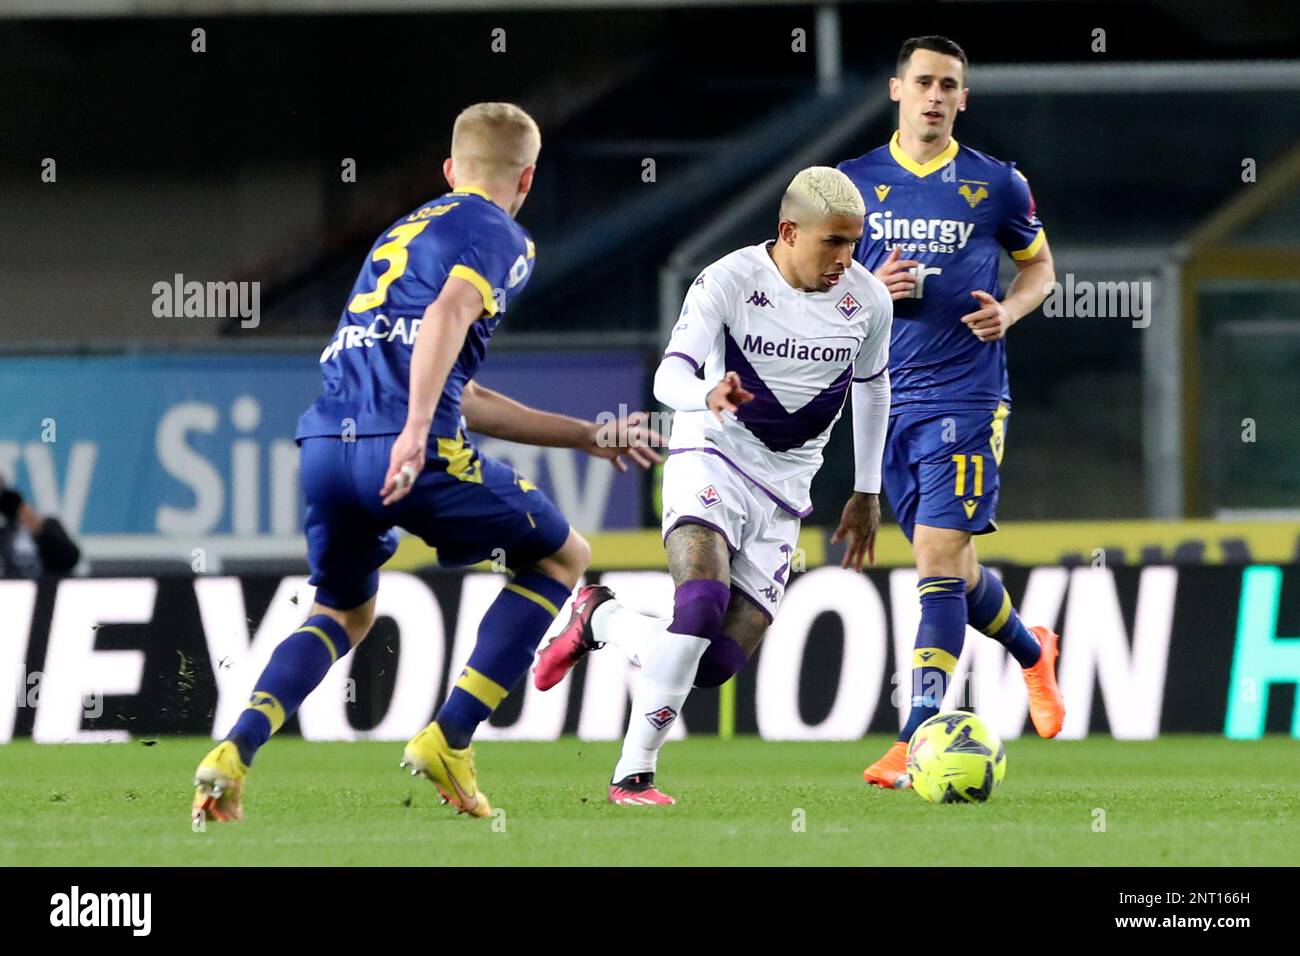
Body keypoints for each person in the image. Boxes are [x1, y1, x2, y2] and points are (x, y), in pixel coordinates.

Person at [192, 102, 661, 823]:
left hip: (324, 446)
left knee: (342, 611)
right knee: (564, 556)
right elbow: (445, 324)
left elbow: (460, 390)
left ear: (448, 170)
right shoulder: (503, 235)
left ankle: (232, 751)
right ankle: (451, 735)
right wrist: (415, 432)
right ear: (527, 179)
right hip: (406, 444)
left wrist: (587, 436)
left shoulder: (400, 234)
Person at [534, 166, 893, 805]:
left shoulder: (867, 301)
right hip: (712, 456)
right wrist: (707, 392)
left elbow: (872, 388)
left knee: (717, 665)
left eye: (854, 242)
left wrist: (867, 491)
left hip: (785, 493)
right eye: (832, 243)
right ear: (788, 231)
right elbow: (668, 377)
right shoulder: (727, 281)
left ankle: (602, 616)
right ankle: (633, 773)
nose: (847, 258)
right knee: (697, 607)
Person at [837, 36, 1065, 788]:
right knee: (957, 571)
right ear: (897, 89)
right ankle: (1034, 649)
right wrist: (870, 287)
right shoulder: (847, 184)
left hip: (966, 397)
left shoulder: (997, 183)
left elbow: (1040, 267)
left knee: (934, 559)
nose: (936, 95)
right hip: (880, 400)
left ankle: (916, 733)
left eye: (950, 85)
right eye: (924, 81)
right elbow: (812, 283)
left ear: (963, 99)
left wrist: (1013, 309)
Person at [0, 482, 80, 579]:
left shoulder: (49, 526)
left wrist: (39, 531)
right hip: (16, 588)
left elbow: (72, 558)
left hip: (49, 585)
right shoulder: (5, 535)